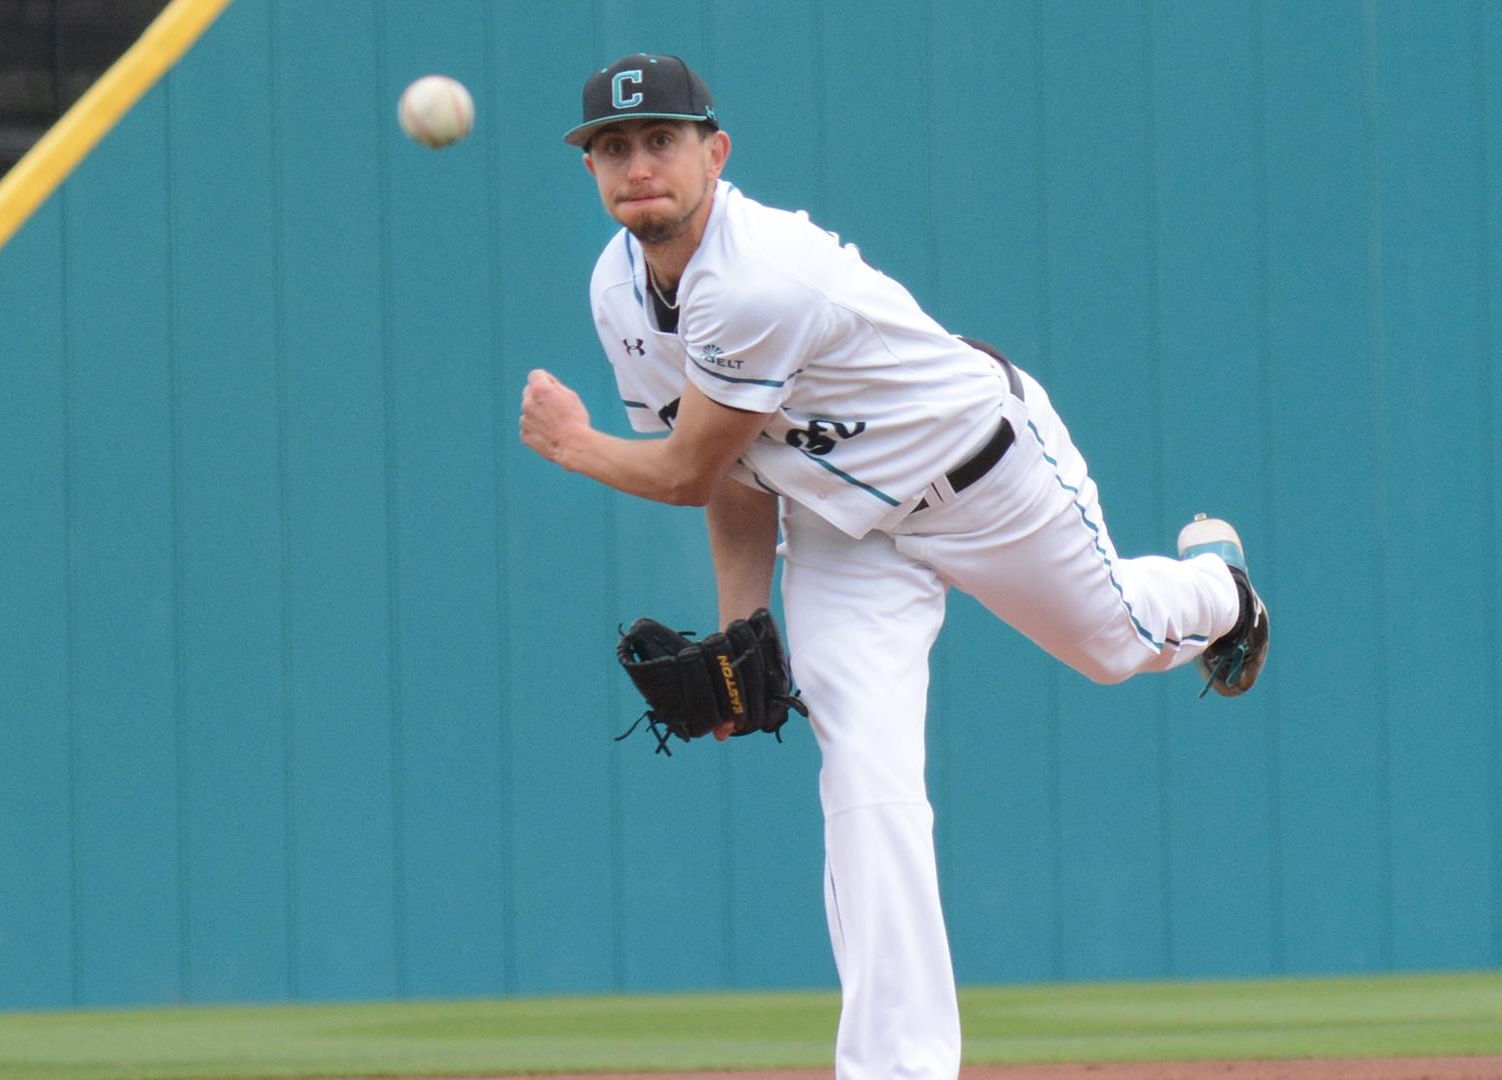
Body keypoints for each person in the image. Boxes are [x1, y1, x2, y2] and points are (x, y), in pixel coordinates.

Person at [519, 53, 1270, 1080]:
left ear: (715, 152)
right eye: (614, 146)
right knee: (867, 781)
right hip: (843, 530)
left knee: (1117, 643)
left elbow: (688, 469)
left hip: (985, 478)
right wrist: (747, 629)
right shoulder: (620, 290)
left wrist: (574, 445)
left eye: (662, 139)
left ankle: (1221, 593)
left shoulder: (755, 275)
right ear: (592, 172)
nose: (637, 162)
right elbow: (736, 467)